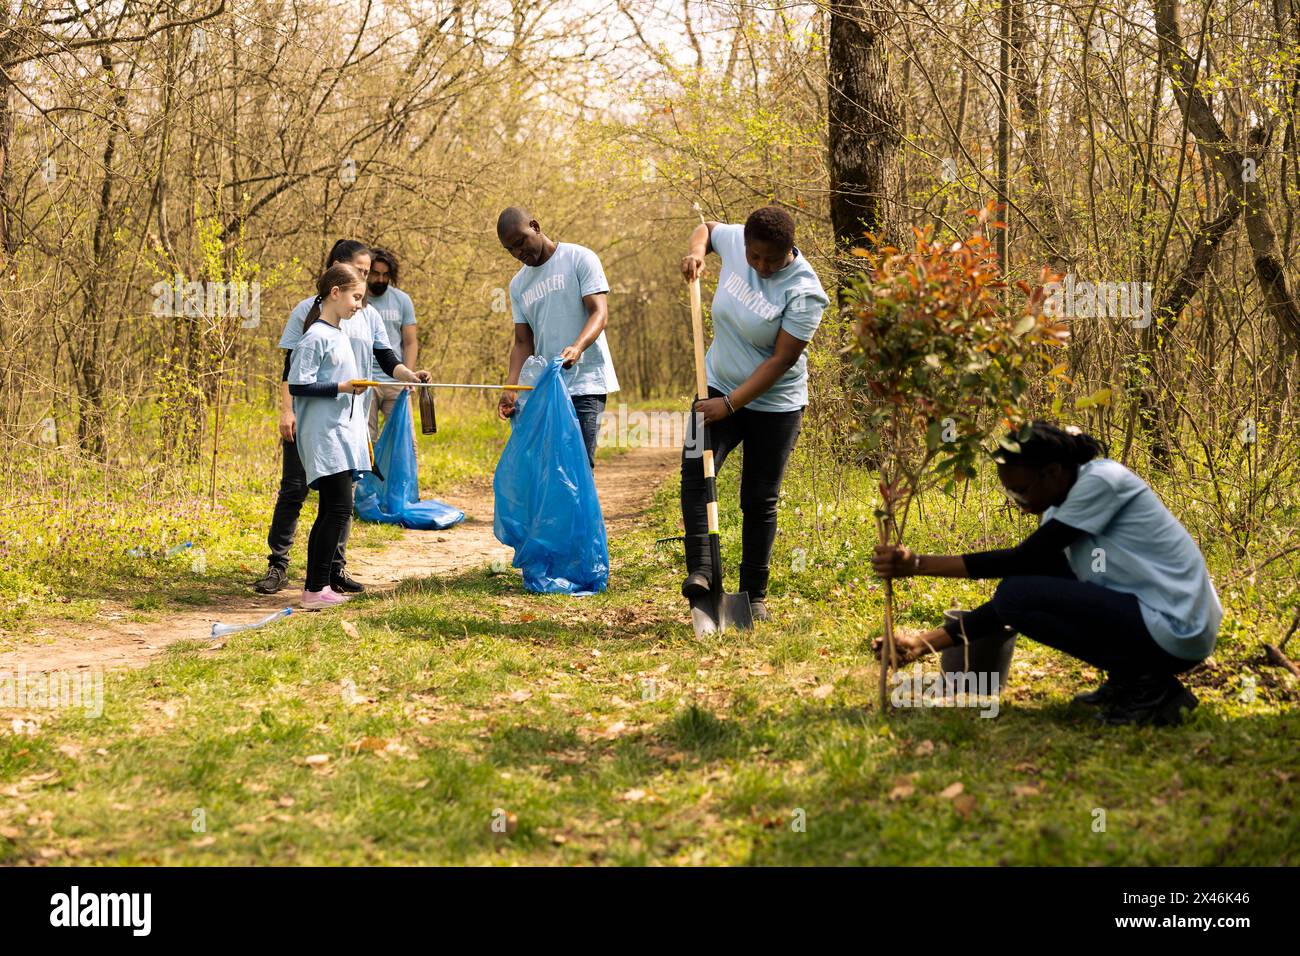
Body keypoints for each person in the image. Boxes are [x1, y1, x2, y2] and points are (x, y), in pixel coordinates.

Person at [871, 421, 1223, 727]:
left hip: (1179, 628)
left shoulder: (1102, 481)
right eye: (1009, 491)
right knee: (1018, 596)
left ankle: (1153, 690)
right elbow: (1016, 598)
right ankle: (1132, 679)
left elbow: (1025, 560)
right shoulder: (1061, 508)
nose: (1016, 500)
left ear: (1052, 472)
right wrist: (922, 644)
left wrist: (918, 565)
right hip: (1153, 620)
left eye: (1020, 490)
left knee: (1018, 593)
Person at [252, 239, 430, 595]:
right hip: (311, 420)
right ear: (339, 270)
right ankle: (279, 565)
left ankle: (332, 570)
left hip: (349, 422)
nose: (366, 282)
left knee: (341, 501)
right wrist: (287, 411)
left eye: (367, 274)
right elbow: (293, 370)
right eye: (360, 273)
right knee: (295, 489)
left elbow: (384, 357)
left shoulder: (369, 315)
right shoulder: (309, 314)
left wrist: (407, 375)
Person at [677, 205, 829, 623]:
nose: (761, 265)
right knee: (694, 472)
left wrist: (729, 405)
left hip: (775, 405)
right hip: (714, 385)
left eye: (771, 260)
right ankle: (704, 573)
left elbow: (780, 361)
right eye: (754, 256)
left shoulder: (805, 292)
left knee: (759, 499)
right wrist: (695, 253)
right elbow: (705, 228)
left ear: (789, 251)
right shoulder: (735, 238)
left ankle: (753, 594)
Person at [495, 206, 619, 468]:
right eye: (511, 250)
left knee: (579, 466)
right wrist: (511, 386)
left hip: (587, 382)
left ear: (536, 227)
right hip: (547, 386)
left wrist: (578, 347)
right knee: (550, 467)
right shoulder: (518, 285)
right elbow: (522, 341)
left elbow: (599, 313)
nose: (518, 253)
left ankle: (582, 511)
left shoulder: (579, 258)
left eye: (520, 243)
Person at [286, 263, 373, 609]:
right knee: (338, 509)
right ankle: (315, 588)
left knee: (333, 510)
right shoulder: (315, 337)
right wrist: (342, 387)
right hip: (324, 438)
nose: (359, 305)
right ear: (335, 292)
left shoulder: (339, 335)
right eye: (356, 297)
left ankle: (317, 586)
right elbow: (298, 384)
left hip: (342, 436)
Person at [363, 247, 418, 442]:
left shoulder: (402, 300)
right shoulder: (357, 299)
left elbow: (410, 342)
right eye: (376, 274)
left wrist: (408, 377)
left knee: (405, 439)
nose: (380, 279)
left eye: (386, 275)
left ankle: (403, 474)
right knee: (365, 441)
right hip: (366, 380)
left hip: (396, 378)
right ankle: (366, 474)